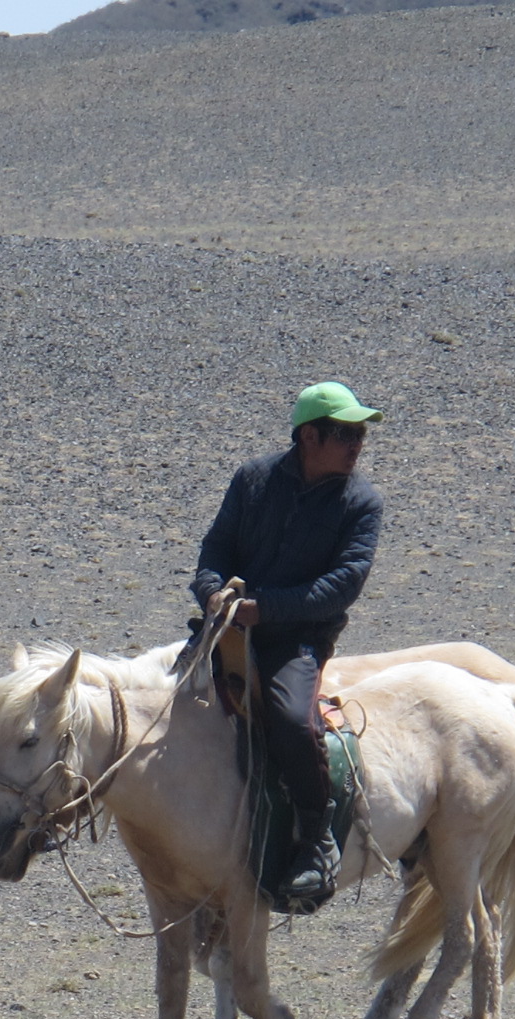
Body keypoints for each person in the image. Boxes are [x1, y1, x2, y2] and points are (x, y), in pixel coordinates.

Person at [188, 381, 385, 904]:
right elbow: (216, 548)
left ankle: (317, 839)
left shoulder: (361, 503)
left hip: (297, 640)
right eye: (346, 433)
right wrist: (211, 592)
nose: (358, 444)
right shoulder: (252, 479)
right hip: (228, 629)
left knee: (294, 722)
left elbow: (342, 585)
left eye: (360, 434)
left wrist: (266, 609)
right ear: (309, 436)